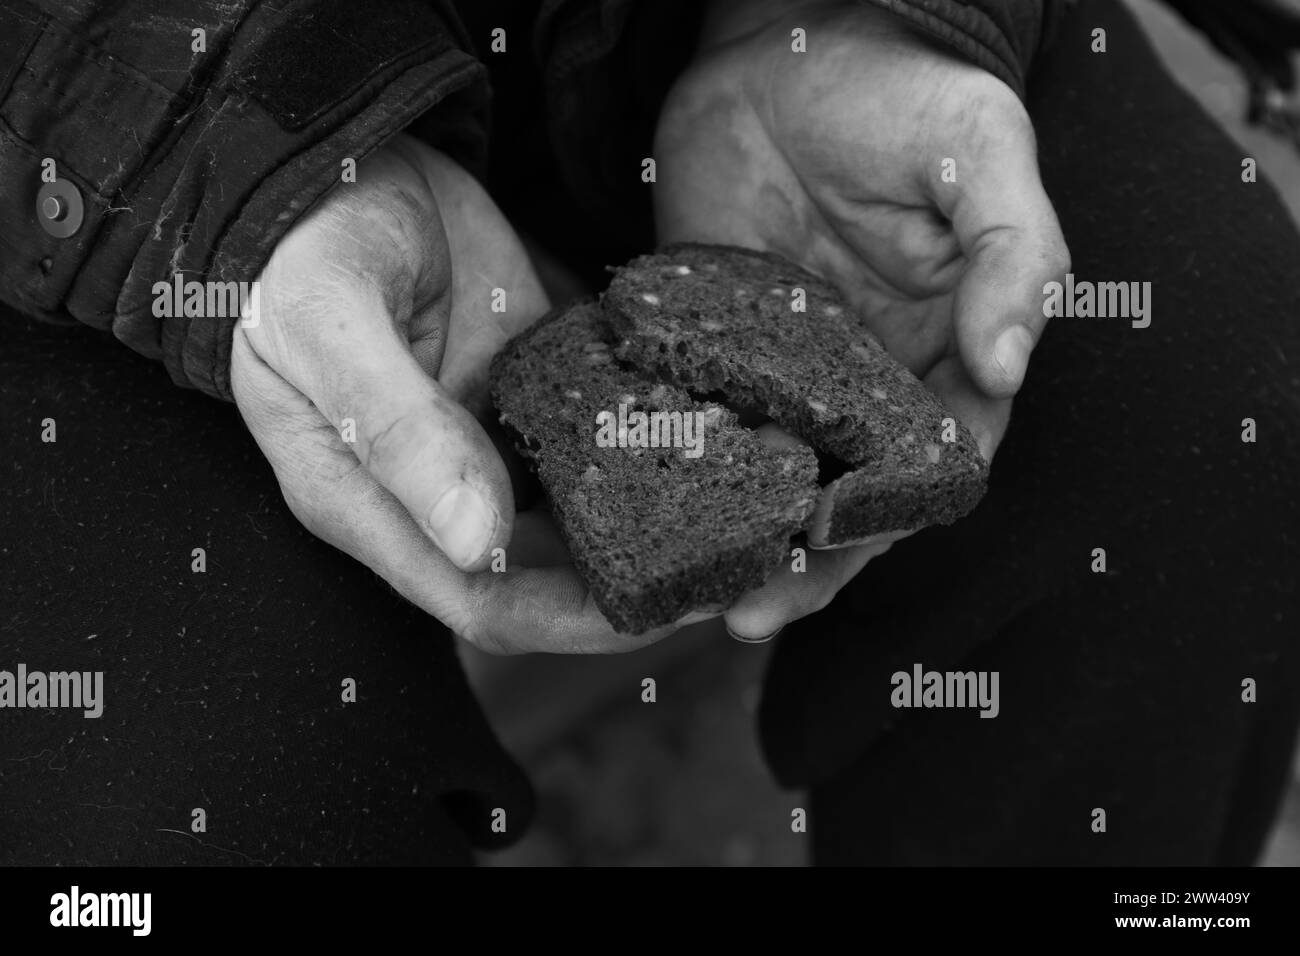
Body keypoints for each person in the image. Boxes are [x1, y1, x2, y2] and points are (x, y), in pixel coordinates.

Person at [1, 0, 1297, 865]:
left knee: (1216, 421)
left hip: (698, 30)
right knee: (196, 796)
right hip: (116, 117)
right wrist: (216, 182)